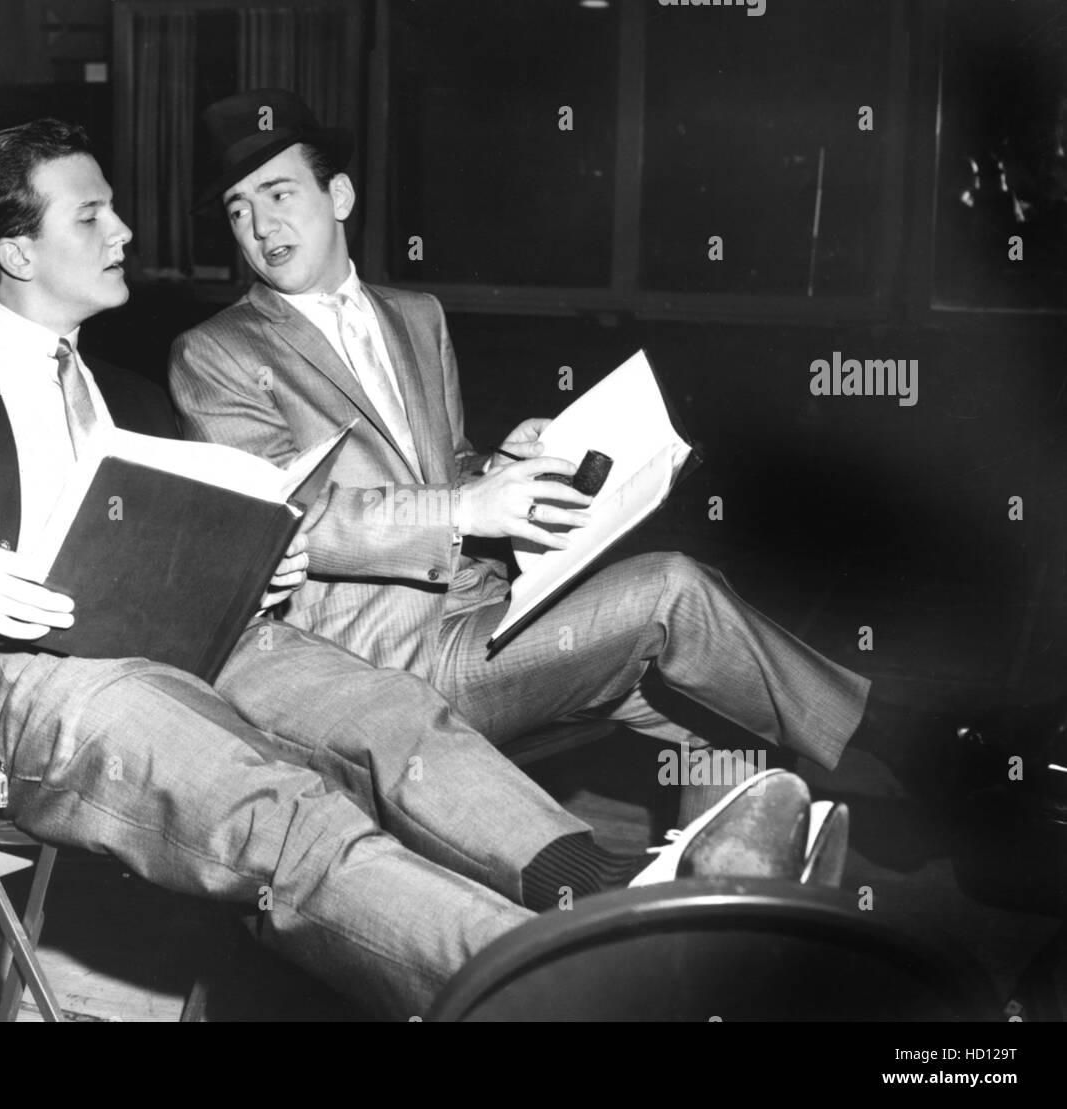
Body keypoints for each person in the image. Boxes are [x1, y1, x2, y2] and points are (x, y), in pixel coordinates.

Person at [0, 118, 821, 1020]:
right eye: (93, 216)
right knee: (282, 807)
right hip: (35, 674)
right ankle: (553, 983)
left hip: (207, 640)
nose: (124, 233)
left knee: (396, 716)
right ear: (19, 248)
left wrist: (263, 556)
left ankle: (616, 893)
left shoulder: (130, 396)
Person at [170, 89, 961, 823]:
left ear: (338, 197)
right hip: (381, 662)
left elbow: (442, 467)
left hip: (491, 612)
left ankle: (711, 917)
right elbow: (289, 517)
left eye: (280, 194)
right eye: (239, 210)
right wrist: (465, 506)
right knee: (671, 591)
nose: (261, 227)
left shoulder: (416, 315)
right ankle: (909, 743)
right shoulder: (217, 353)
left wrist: (495, 466)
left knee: (726, 734)